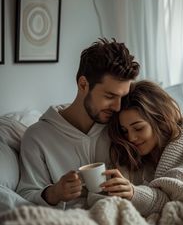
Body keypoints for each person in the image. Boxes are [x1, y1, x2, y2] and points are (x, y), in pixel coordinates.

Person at [17, 38, 140, 209]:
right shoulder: (37, 137)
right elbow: (25, 194)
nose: (118, 107)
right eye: (110, 96)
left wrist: (131, 189)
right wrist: (54, 193)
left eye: (122, 97)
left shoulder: (120, 127)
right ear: (83, 85)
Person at [98, 80, 183, 218]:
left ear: (159, 120)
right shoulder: (132, 157)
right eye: (125, 131)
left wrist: (135, 193)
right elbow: (164, 200)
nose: (131, 138)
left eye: (138, 128)